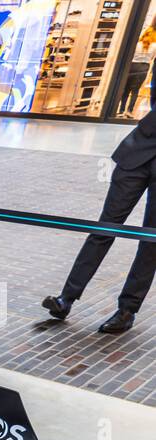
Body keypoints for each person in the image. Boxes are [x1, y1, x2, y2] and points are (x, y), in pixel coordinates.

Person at [42, 111, 156, 334]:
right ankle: (66, 299)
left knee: (151, 242)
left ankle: (127, 310)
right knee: (104, 228)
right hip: (138, 152)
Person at [121, 39, 153, 117]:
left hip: (133, 65)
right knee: (135, 90)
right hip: (144, 66)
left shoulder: (137, 43)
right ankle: (129, 111)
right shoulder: (154, 46)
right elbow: (152, 58)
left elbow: (130, 54)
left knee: (126, 89)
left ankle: (121, 110)